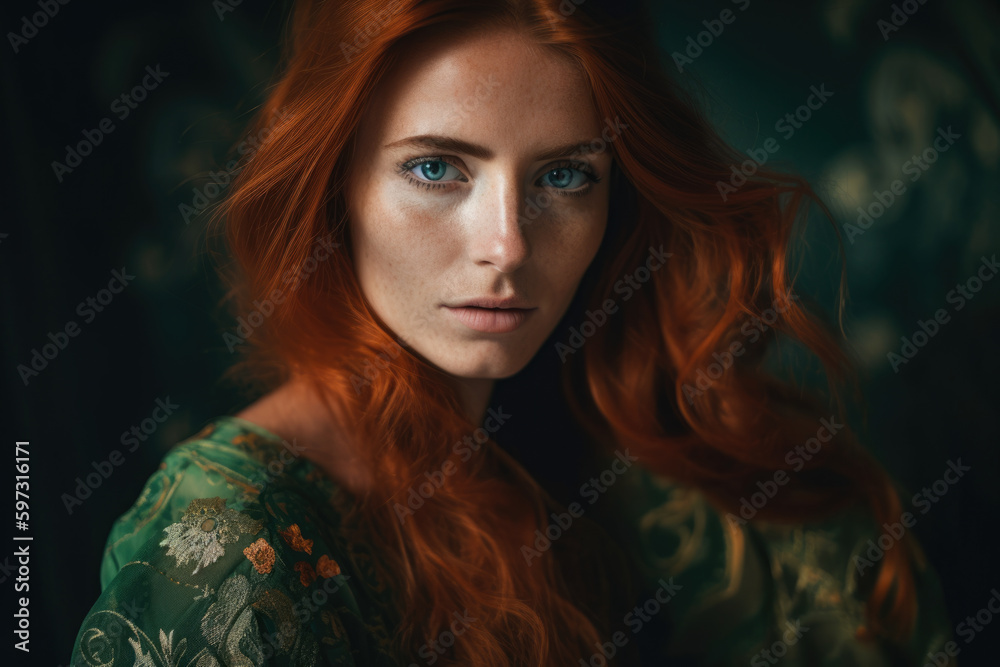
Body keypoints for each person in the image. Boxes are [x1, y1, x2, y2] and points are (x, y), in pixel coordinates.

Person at [70, 0, 954, 665]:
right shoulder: (228, 553)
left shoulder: (624, 437)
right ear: (334, 181)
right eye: (436, 168)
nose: (509, 246)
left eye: (564, 176)